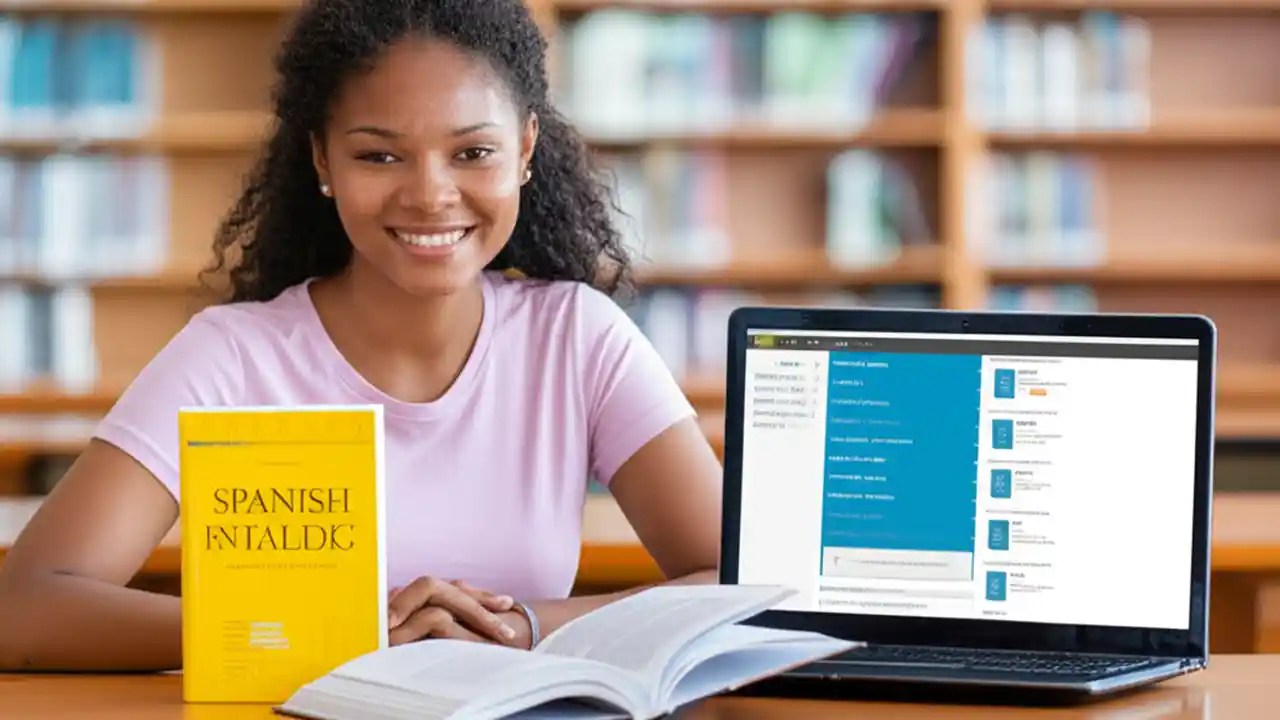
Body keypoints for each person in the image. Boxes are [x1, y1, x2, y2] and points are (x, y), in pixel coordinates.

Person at [0, 0, 721, 672]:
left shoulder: (578, 338)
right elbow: (25, 606)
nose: (430, 194)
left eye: (472, 153)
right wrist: (333, 631)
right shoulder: (229, 356)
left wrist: (522, 625)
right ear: (322, 160)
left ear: (526, 147)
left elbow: (744, 581)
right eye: (380, 155)